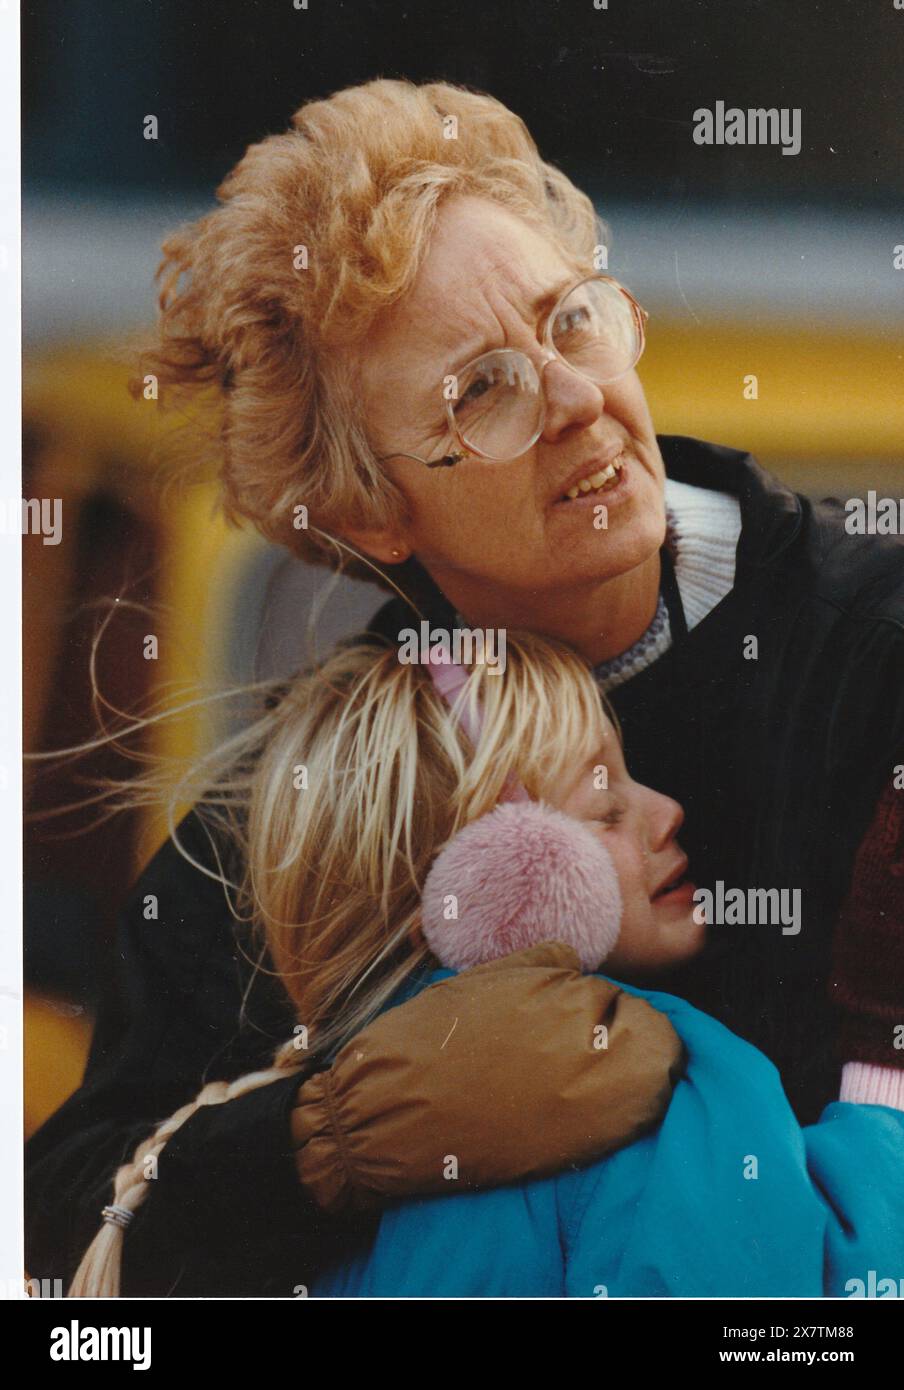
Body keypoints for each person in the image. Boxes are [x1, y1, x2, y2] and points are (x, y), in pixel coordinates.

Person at [26, 76, 904, 1296]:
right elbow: (65, 1238)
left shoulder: (877, 654)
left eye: (575, 322)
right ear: (367, 509)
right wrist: (326, 1142)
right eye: (479, 390)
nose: (575, 400)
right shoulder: (309, 804)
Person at [67, 637, 904, 1298]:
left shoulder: (327, 1137)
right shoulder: (626, 1081)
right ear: (486, 880)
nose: (665, 811)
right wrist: (882, 1068)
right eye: (606, 806)